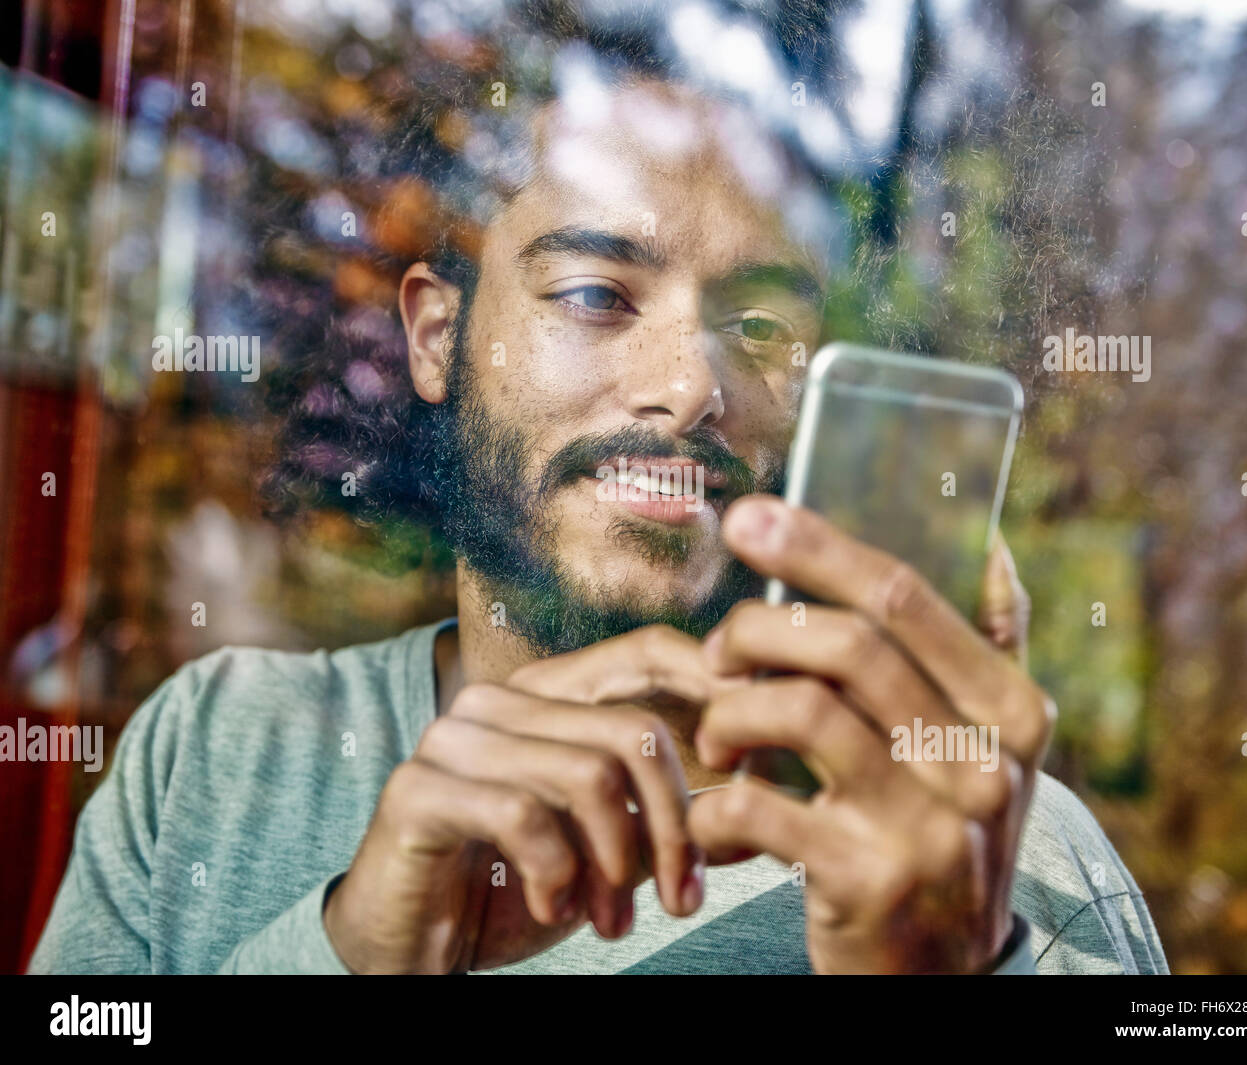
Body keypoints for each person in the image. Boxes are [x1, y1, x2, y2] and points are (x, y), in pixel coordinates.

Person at [29, 72, 1167, 975]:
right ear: (435, 339)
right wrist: (354, 961)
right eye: (593, 296)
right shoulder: (217, 752)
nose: (689, 386)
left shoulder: (983, 849)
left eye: (760, 325)